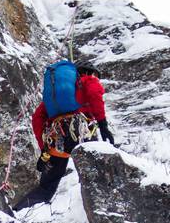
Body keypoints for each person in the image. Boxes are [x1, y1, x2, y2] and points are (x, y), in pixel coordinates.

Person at [14, 63, 116, 212]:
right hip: (82, 133)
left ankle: (17, 212)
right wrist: (103, 124)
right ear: (89, 73)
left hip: (58, 138)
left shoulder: (54, 99)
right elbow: (95, 94)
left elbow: (37, 118)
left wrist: (44, 150)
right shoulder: (89, 80)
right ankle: (105, 208)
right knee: (97, 172)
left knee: (46, 186)